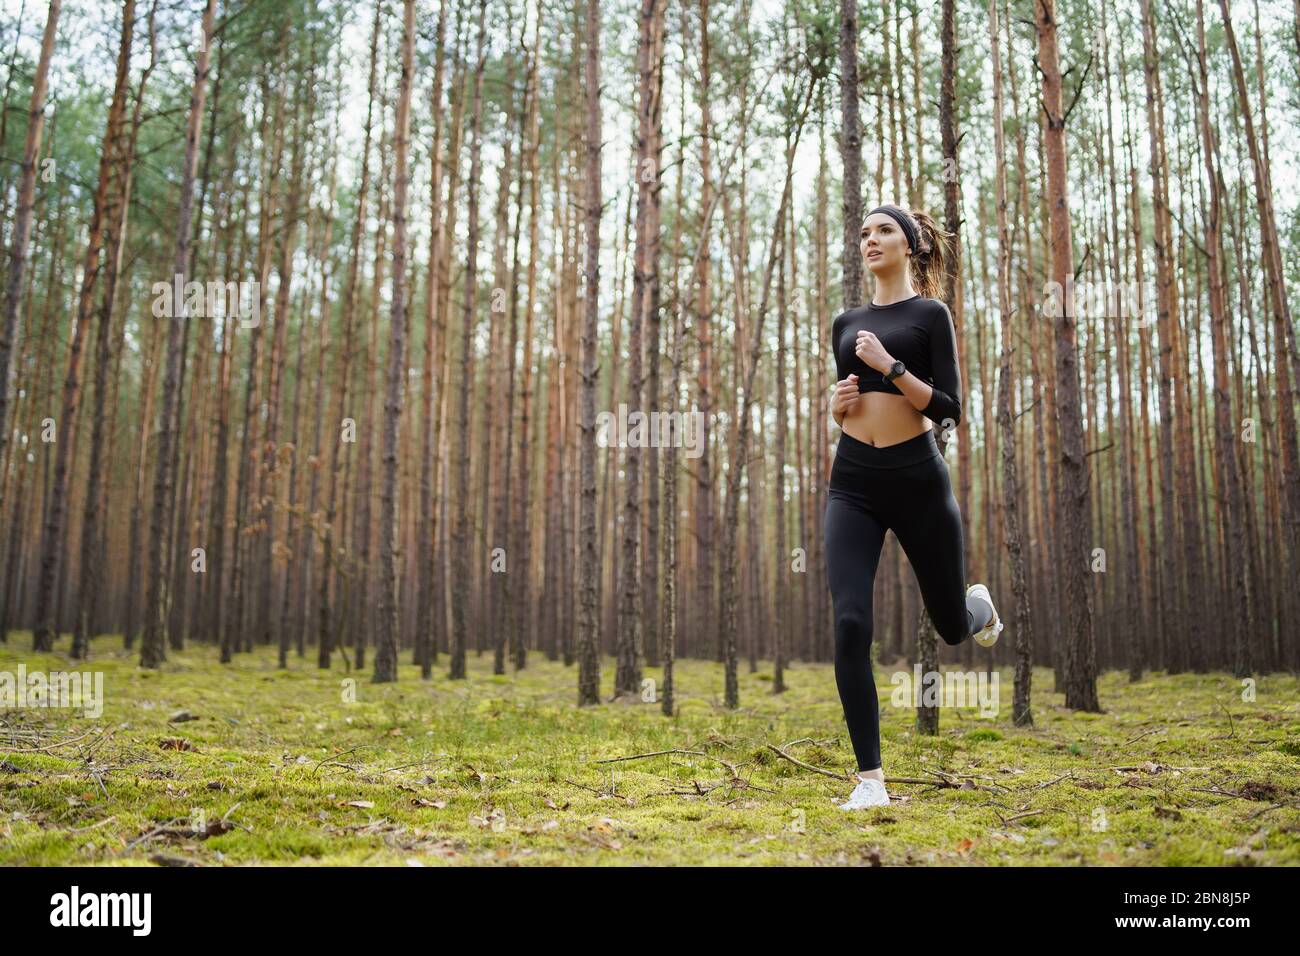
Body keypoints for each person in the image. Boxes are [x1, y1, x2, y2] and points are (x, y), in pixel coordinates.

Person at [825, 203, 1002, 810]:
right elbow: (848, 399)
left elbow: (949, 407)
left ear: (912, 244)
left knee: (951, 626)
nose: (870, 239)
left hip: (917, 477)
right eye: (865, 232)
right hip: (853, 481)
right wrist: (839, 403)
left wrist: (890, 367)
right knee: (850, 622)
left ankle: (977, 608)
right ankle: (870, 782)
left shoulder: (931, 314)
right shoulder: (845, 320)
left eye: (883, 231)